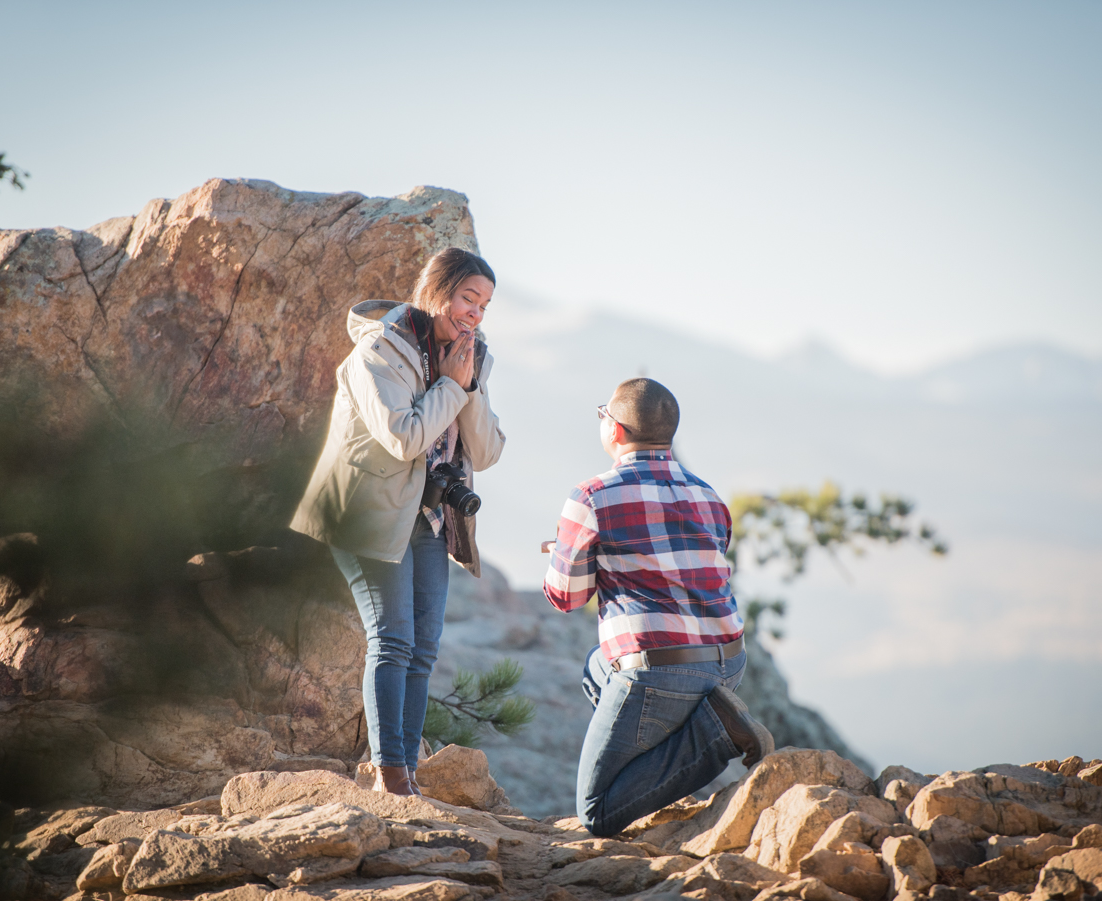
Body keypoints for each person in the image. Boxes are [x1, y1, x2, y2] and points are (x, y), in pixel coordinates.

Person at [291, 247, 505, 796]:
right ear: (437, 292)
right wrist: (453, 388)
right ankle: (391, 778)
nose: (476, 313)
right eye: (467, 298)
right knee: (392, 641)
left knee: (424, 645)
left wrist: (470, 383)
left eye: (484, 304)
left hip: (429, 516)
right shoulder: (377, 352)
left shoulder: (468, 357)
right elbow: (405, 437)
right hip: (366, 511)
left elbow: (486, 451)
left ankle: (407, 772)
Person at [543, 377, 775, 836]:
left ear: (617, 431)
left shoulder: (591, 497)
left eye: (603, 415)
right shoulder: (710, 497)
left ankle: (717, 734)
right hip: (729, 663)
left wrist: (565, 553)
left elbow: (566, 598)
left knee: (597, 814)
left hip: (659, 671)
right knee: (596, 668)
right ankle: (665, 766)